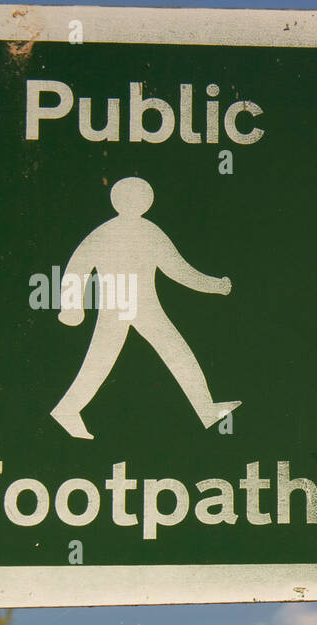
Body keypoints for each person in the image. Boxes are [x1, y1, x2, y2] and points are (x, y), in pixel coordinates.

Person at [50, 176, 239, 439]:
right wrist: (216, 286)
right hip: (130, 306)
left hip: (136, 305)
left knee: (165, 353)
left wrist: (71, 308)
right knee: (110, 361)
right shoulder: (144, 231)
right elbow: (179, 270)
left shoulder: (114, 232)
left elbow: (77, 268)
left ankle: (206, 409)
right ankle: (67, 410)